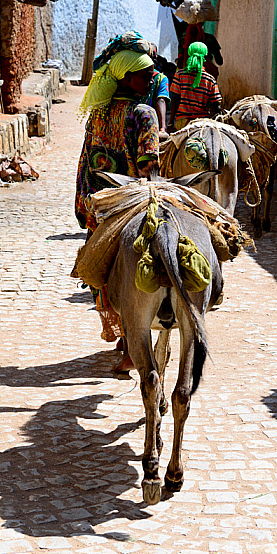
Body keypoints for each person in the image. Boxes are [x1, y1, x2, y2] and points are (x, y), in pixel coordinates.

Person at [75, 39, 158, 372]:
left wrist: (85, 206)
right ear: (126, 78)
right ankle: (136, 346)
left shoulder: (97, 115)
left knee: (107, 274)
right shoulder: (144, 114)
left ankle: (125, 337)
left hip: (101, 209)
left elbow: (85, 162)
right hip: (133, 207)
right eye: (145, 74)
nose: (152, 77)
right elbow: (148, 166)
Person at [169, 42, 223, 131]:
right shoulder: (210, 79)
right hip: (203, 124)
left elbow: (175, 100)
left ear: (189, 53)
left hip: (182, 122)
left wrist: (170, 123)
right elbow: (216, 106)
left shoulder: (179, 74)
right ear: (205, 56)